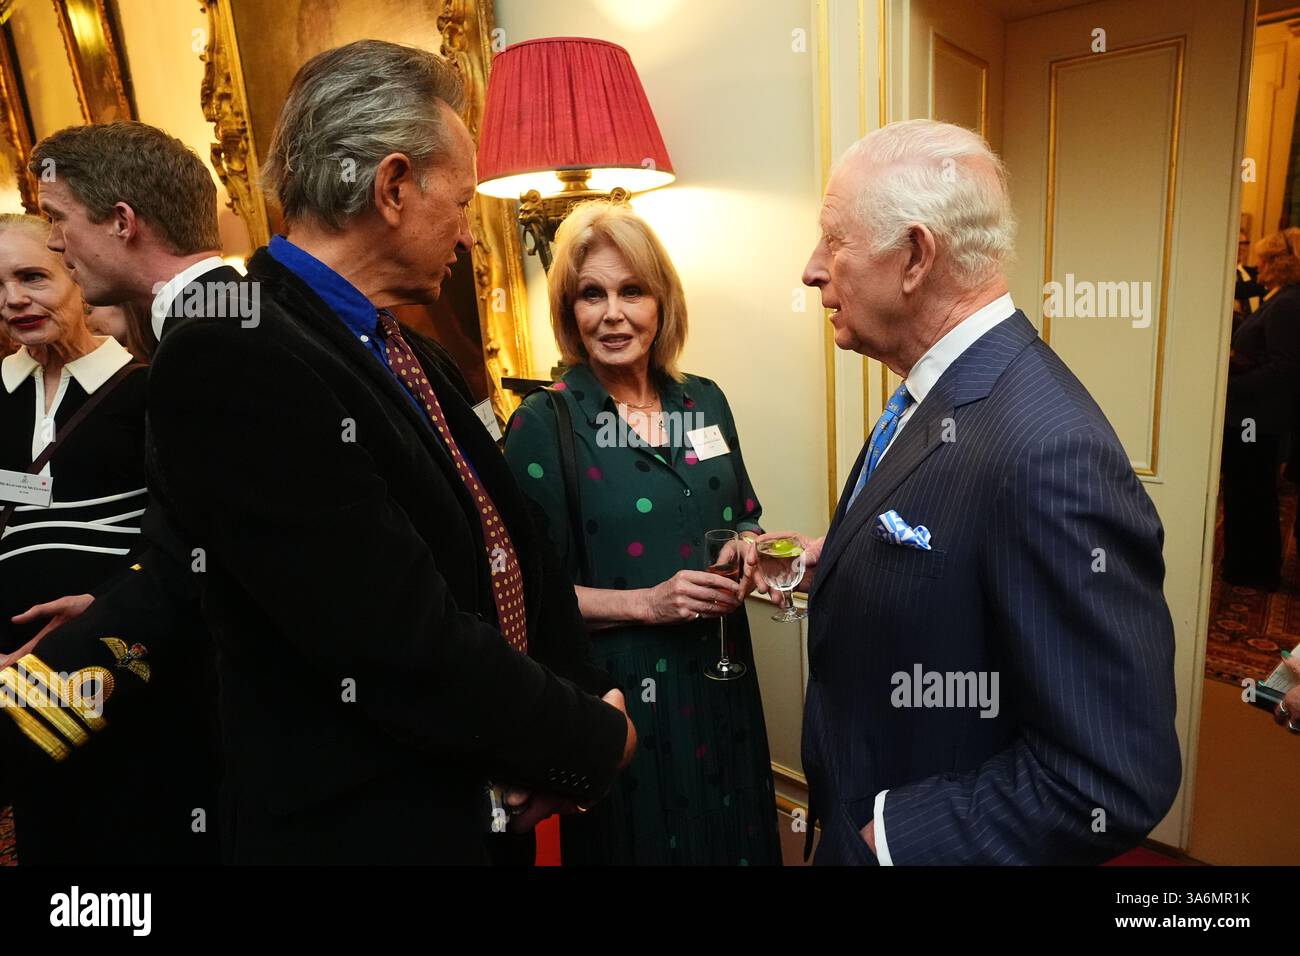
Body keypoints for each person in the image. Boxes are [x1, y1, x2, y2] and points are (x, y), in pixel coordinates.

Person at [142, 39, 636, 864]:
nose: (473, 237)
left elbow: (513, 553)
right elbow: (394, 638)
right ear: (395, 186)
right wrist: (595, 739)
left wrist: (569, 716)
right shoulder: (235, 349)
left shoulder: (402, 347)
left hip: (481, 803)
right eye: (463, 201)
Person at [761, 119, 1180, 865]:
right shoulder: (940, 390)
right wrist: (848, 564)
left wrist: (890, 838)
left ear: (915, 255)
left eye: (834, 239)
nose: (811, 269)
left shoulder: (1052, 450)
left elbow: (1111, 776)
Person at [504, 201, 782, 865]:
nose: (613, 314)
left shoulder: (705, 400)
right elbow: (527, 603)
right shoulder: (545, 425)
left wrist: (748, 550)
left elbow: (742, 513)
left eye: (632, 291)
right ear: (569, 311)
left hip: (723, 680)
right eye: (590, 295)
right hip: (625, 701)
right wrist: (647, 604)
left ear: (663, 302)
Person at [0, 211, 217, 864]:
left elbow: (181, 539)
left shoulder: (148, 388)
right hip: (17, 679)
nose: (13, 299)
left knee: (139, 833)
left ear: (75, 269)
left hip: (130, 669)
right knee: (55, 841)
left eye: (32, 276)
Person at [1222, 227, 1300, 590]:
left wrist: (1231, 384)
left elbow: (1284, 366)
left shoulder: (1287, 303)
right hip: (1255, 414)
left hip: (1257, 418)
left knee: (1252, 492)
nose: (1258, 265)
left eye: (1265, 259)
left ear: (1279, 263)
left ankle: (1254, 569)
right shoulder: (1280, 297)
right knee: (1248, 490)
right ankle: (1248, 565)